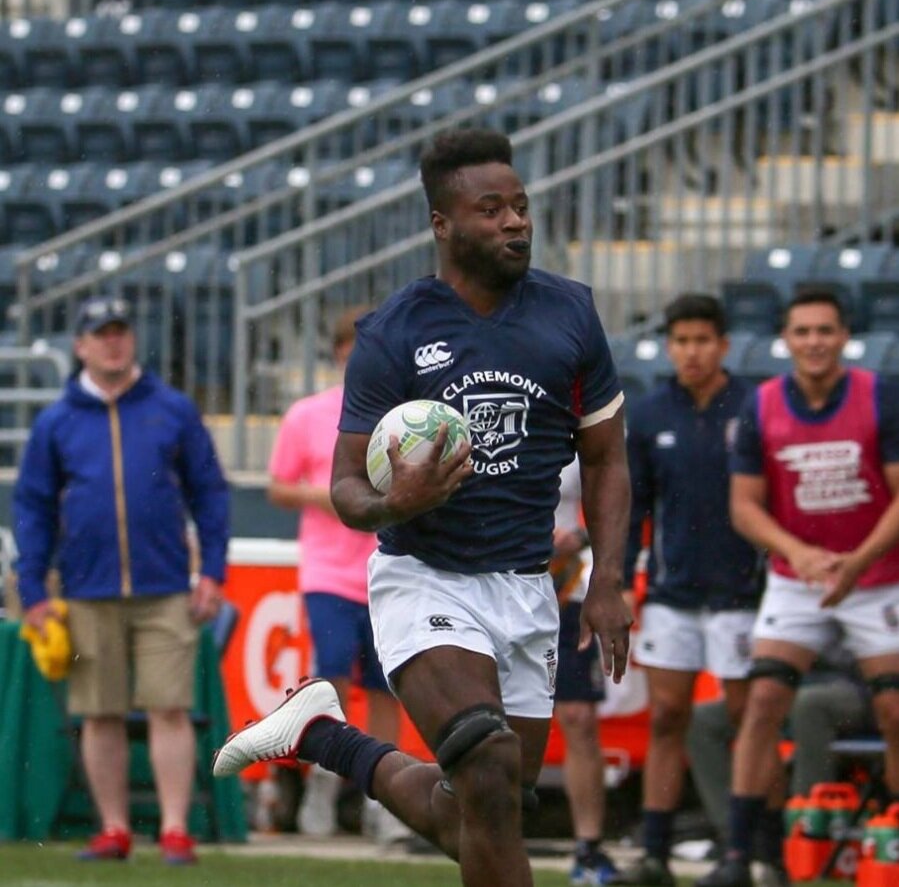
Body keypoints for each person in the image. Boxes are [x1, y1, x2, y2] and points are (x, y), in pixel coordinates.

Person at [213, 127, 633, 887]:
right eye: (490, 209)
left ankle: (323, 735)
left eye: (520, 206)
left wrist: (606, 579)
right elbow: (345, 485)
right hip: (425, 576)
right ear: (443, 224)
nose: (514, 222)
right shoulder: (395, 332)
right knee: (490, 758)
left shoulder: (570, 314)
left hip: (528, 587)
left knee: (482, 807)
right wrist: (392, 498)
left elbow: (606, 458)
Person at [13, 295, 229, 864]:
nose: (113, 341)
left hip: (164, 587)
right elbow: (32, 508)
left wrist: (210, 569)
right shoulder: (56, 422)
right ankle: (114, 828)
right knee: (99, 711)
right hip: (86, 590)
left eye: (120, 331)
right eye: (100, 333)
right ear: (80, 346)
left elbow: (209, 492)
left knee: (169, 708)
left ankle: (176, 829)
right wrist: (33, 590)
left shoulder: (173, 409)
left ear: (132, 338)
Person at [697, 288, 899, 887]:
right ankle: (739, 853)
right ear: (785, 340)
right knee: (761, 703)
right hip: (798, 577)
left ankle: (889, 838)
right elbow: (744, 508)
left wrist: (856, 562)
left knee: (894, 708)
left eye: (825, 330)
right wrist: (801, 554)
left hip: (876, 575)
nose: (814, 341)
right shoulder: (761, 406)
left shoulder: (878, 396)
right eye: (803, 331)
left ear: (844, 337)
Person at [609, 294, 765, 887]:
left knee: (748, 720)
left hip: (744, 594)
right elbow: (631, 509)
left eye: (702, 340)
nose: (691, 352)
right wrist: (621, 582)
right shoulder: (648, 415)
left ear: (723, 345)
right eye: (681, 341)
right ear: (669, 346)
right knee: (668, 716)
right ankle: (654, 853)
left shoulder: (755, 408)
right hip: (673, 593)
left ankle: (754, 852)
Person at [267, 304, 408, 845]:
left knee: (387, 686)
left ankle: (385, 798)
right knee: (332, 676)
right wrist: (327, 496)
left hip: (389, 568)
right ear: (338, 355)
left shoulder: (403, 419)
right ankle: (326, 781)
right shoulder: (306, 415)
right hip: (328, 571)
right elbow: (279, 486)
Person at [686, 641, 875, 846]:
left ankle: (805, 827)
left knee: (808, 704)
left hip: (854, 688)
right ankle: (734, 834)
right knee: (702, 719)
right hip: (782, 688)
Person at [553, 459, 620, 886]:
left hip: (563, 585)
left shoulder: (570, 416)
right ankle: (487, 834)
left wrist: (576, 537)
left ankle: (588, 847)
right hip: (491, 584)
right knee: (489, 718)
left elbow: (613, 500)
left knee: (579, 718)